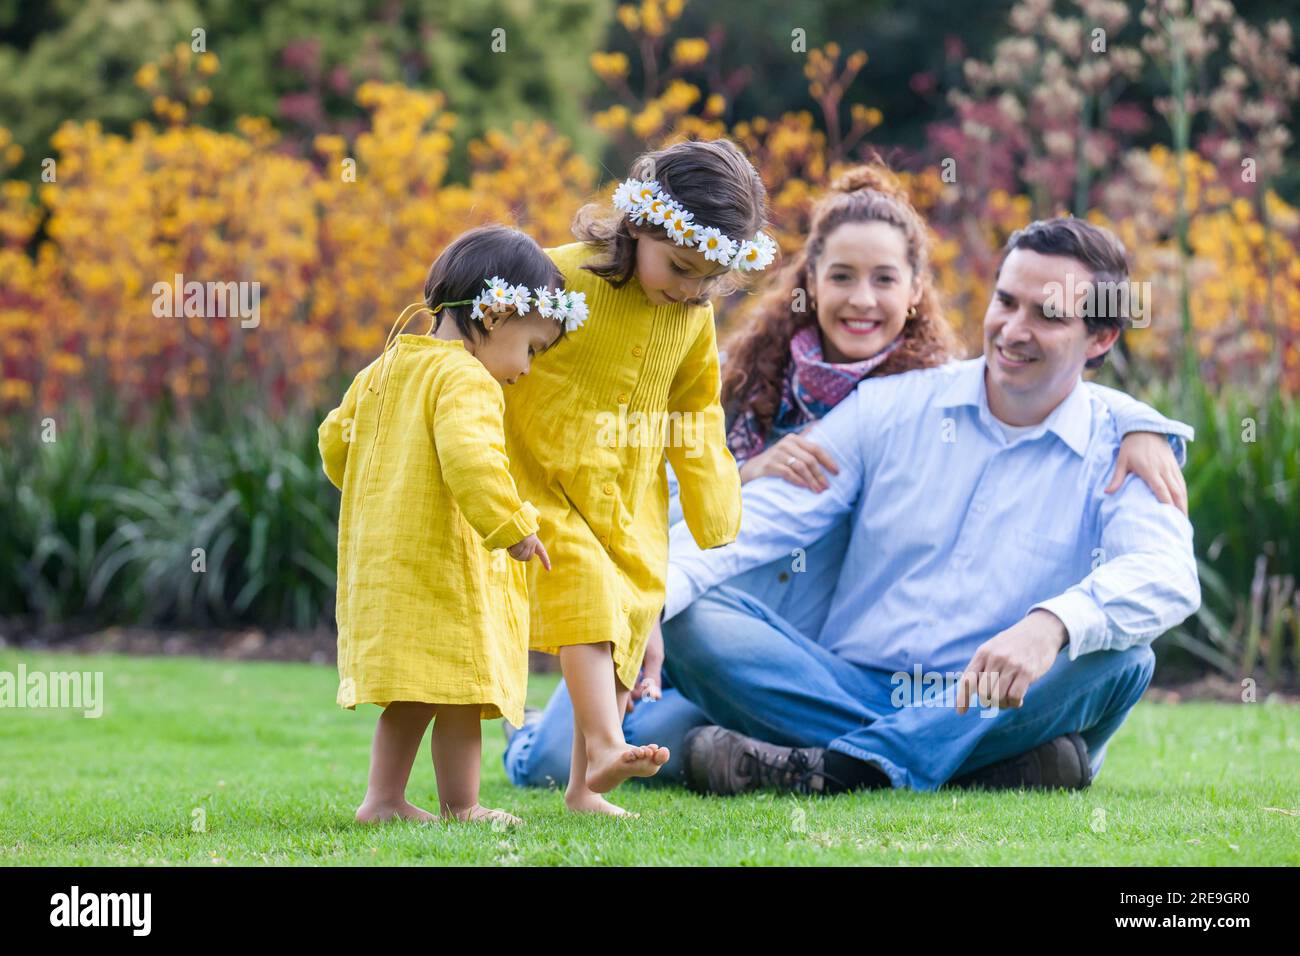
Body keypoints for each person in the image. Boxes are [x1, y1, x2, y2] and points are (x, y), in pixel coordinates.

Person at [504, 168, 1193, 792]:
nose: (1013, 329)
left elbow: (1167, 573)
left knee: (1123, 659)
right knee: (687, 620)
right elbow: (758, 521)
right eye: (1006, 301)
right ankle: (979, 763)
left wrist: (1052, 623)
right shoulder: (889, 406)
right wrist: (654, 604)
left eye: (1047, 315)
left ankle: (845, 767)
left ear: (1101, 339)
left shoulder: (1125, 445)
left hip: (980, 694)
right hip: (829, 681)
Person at [500, 138, 781, 816]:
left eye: (707, 278)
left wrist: (714, 506)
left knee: (630, 612)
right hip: (545, 481)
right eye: (680, 267)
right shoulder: (560, 279)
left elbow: (694, 408)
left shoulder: (691, 317)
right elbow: (482, 351)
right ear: (638, 224)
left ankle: (582, 789)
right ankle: (603, 744)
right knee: (589, 589)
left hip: (629, 494)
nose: (688, 288)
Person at [317, 225, 577, 826]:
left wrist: (376, 493)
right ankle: (457, 806)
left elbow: (335, 439)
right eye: (532, 348)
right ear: (496, 314)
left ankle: (387, 801)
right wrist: (513, 525)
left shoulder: (387, 367)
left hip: (390, 561)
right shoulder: (467, 379)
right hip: (442, 567)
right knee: (460, 688)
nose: (528, 369)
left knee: (420, 693)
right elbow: (472, 460)